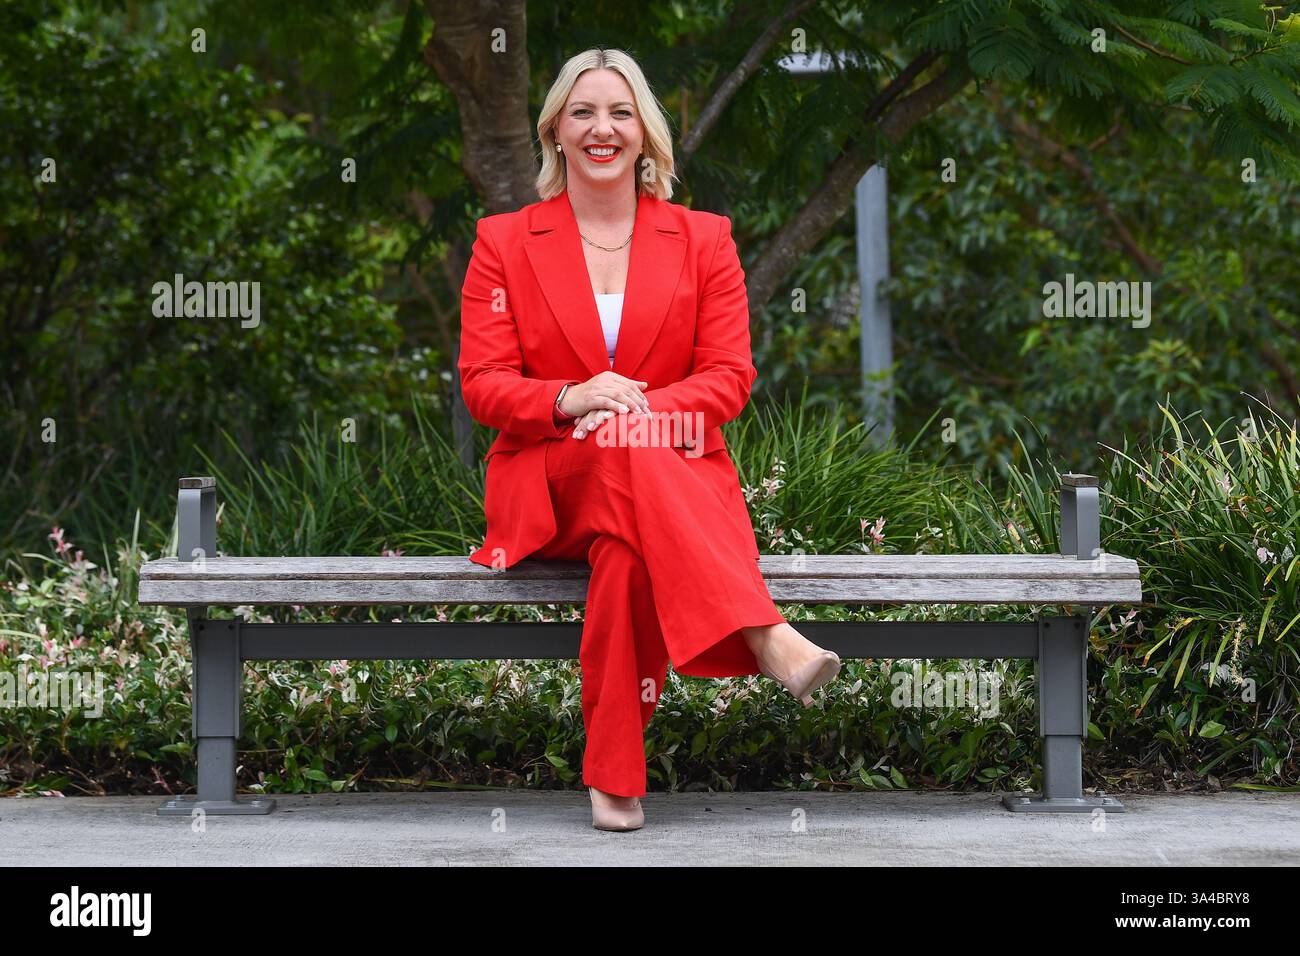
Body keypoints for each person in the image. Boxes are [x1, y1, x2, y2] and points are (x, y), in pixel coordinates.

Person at [457, 47, 841, 832]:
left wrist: (636, 414)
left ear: (647, 136)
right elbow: (483, 383)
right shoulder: (503, 241)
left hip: (665, 481)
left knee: (626, 557)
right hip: (548, 477)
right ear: (555, 131)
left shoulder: (705, 240)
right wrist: (572, 398)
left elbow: (729, 377)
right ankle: (764, 633)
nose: (603, 129)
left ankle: (615, 779)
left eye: (621, 113)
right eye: (584, 112)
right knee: (613, 454)